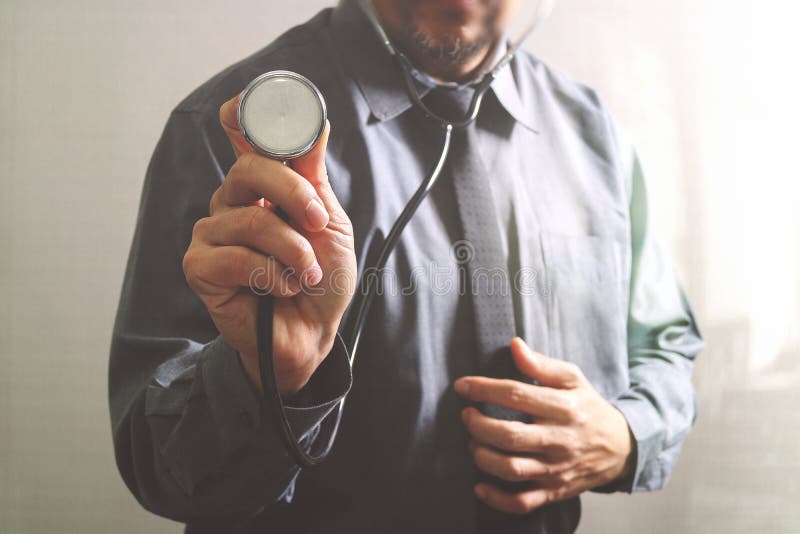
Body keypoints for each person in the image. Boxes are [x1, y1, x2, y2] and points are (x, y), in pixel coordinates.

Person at [108, 0, 703, 532]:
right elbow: (162, 467)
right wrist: (270, 379)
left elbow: (666, 342)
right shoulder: (230, 133)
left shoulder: (593, 133)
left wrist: (627, 434)